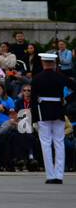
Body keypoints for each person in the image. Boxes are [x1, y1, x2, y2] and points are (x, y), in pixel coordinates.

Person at [33, 51, 70, 183]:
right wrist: (65, 100)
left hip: (43, 111)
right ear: (54, 63)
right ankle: (59, 175)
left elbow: (33, 99)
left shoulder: (37, 78)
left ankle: (50, 175)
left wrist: (34, 118)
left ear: (43, 63)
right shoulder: (61, 77)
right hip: (58, 111)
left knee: (46, 144)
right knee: (59, 143)